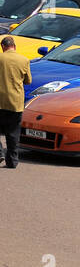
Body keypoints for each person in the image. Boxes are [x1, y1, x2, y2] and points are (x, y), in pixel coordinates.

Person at [0, 36, 31, 169]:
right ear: (14, 46)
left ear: (3, 47)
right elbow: (28, 80)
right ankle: (12, 161)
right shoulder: (24, 60)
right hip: (15, 103)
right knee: (13, 133)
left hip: (0, 101)